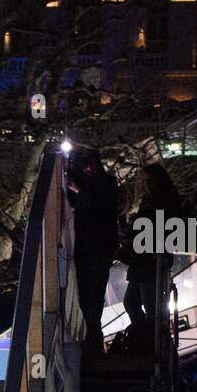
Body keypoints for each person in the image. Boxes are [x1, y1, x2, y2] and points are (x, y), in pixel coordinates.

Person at [66, 149, 120, 354]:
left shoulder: (106, 183)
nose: (87, 168)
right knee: (85, 294)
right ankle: (89, 339)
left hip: (99, 245)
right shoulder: (86, 183)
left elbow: (103, 207)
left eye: (89, 163)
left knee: (94, 295)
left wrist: (79, 191)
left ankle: (92, 341)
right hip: (86, 246)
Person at [121, 164, 182, 342]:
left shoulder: (163, 200)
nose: (148, 185)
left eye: (150, 181)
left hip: (150, 259)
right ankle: (145, 337)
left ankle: (150, 340)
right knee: (134, 302)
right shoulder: (158, 200)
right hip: (144, 259)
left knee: (149, 305)